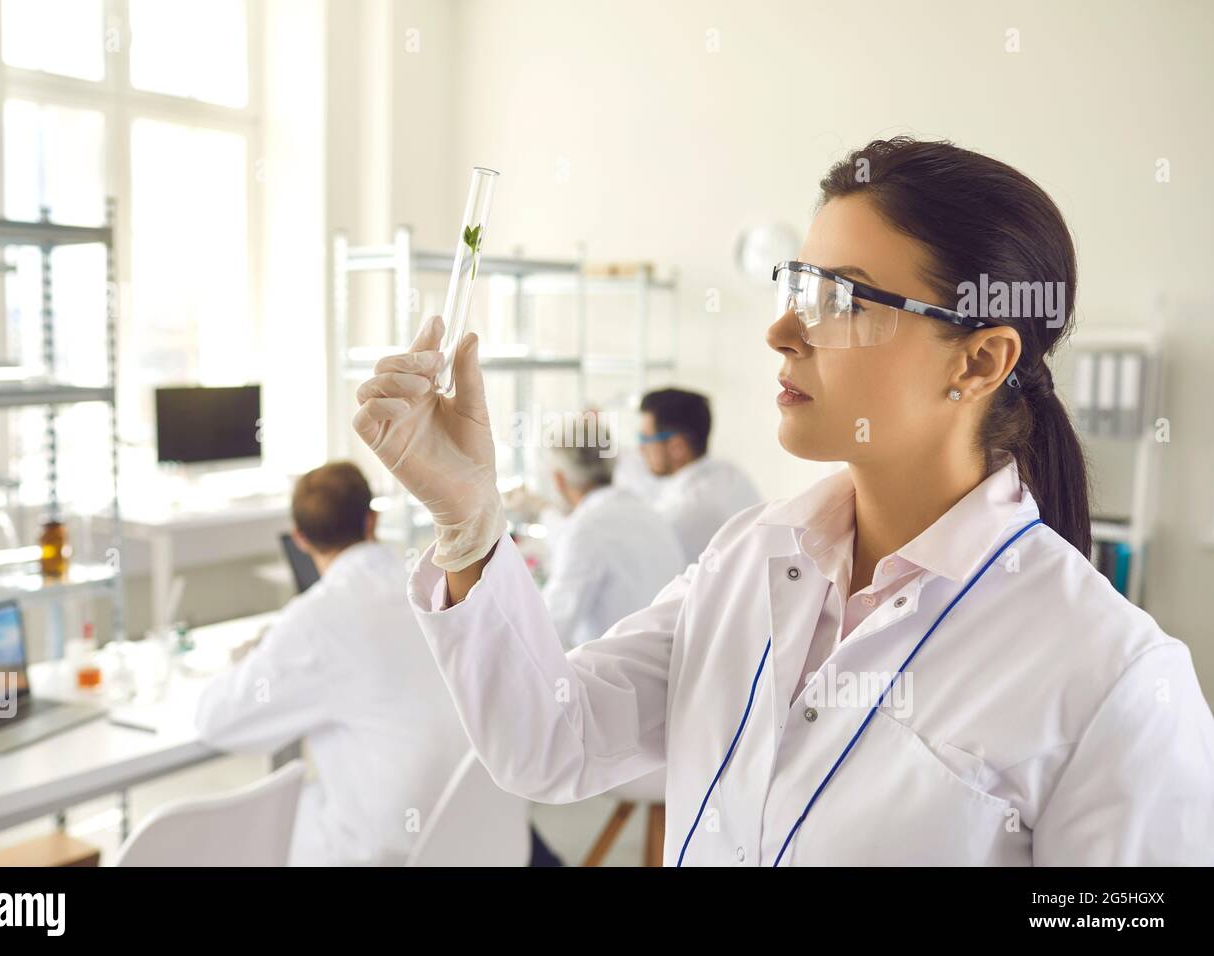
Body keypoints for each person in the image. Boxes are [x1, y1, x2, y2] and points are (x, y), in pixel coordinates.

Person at [352, 136, 1214, 865]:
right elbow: (549, 742)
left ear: (979, 361)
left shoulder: (1118, 683)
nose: (781, 329)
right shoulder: (751, 557)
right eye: (798, 285)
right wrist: (468, 520)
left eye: (839, 298)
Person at [194, 461, 469, 866]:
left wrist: (251, 658)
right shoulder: (435, 587)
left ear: (300, 539)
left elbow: (218, 722)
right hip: (475, 832)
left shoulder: (315, 619)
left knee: (255, 833)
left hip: (388, 853)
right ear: (371, 521)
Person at [542, 414, 686, 651]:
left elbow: (548, 630)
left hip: (613, 675)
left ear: (558, 479)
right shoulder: (651, 514)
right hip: (664, 666)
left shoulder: (585, 530)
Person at [636, 388, 761, 560]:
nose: (640, 449)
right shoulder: (731, 474)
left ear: (677, 447)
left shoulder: (681, 513)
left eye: (644, 439)